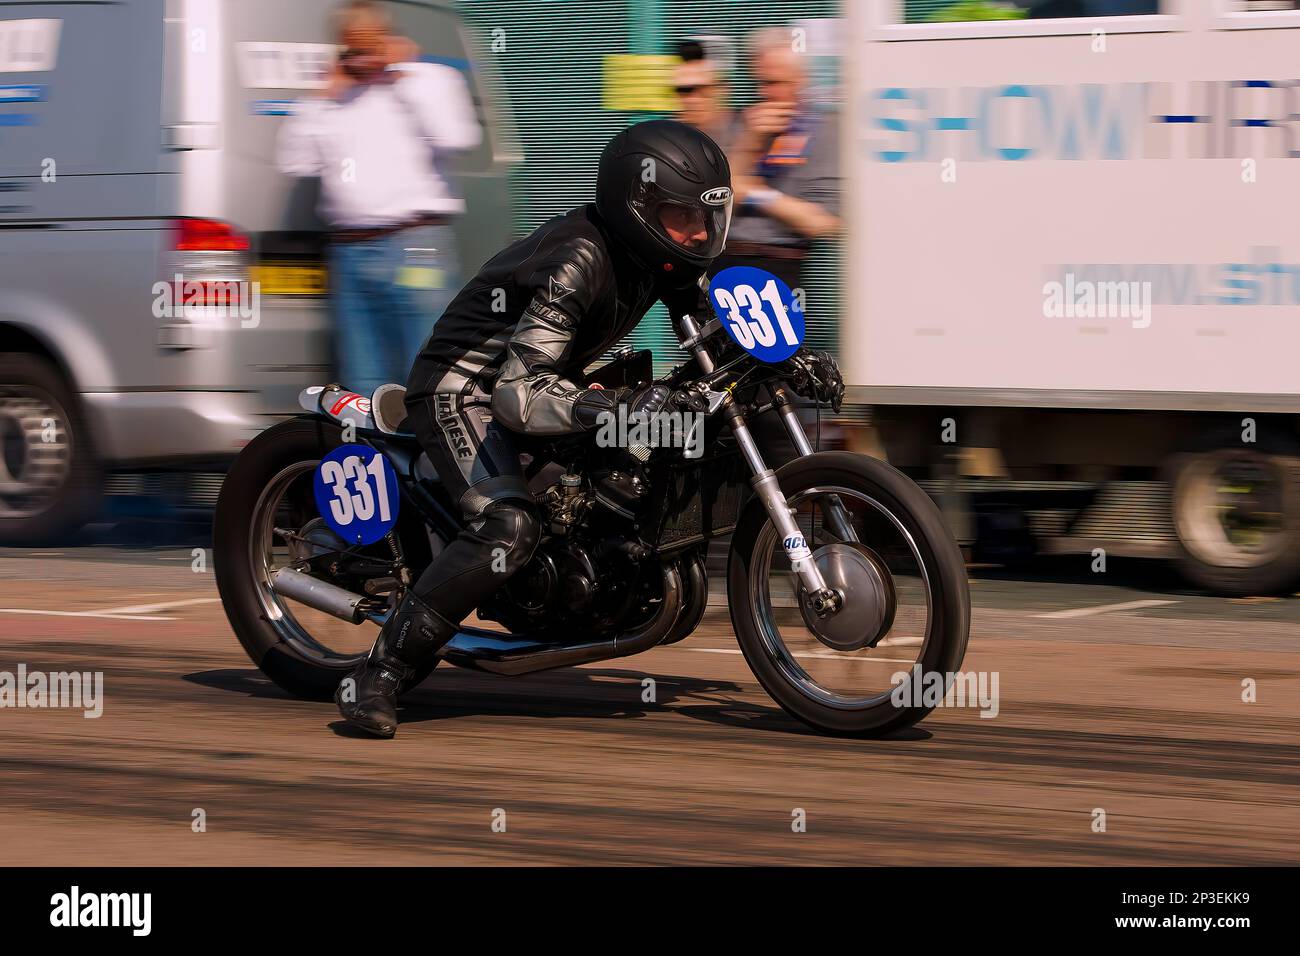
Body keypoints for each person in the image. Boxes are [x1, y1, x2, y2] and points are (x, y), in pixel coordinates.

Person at [336, 120, 732, 737]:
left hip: (547, 379)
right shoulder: (578, 259)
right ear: (640, 208)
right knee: (508, 527)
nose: (702, 233)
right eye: (686, 216)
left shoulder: (663, 259)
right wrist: (604, 410)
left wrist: (784, 361)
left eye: (710, 217)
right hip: (465, 388)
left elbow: (713, 344)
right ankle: (379, 673)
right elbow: (516, 396)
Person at [277, 0, 481, 398]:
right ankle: (380, 459)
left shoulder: (429, 79)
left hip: (416, 249)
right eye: (353, 49)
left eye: (370, 46)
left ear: (388, 40)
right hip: (350, 254)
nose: (363, 58)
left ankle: (430, 456)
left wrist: (404, 78)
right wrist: (321, 97)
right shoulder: (334, 99)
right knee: (363, 381)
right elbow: (295, 162)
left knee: (425, 372)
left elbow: (458, 137)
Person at [716, 26, 840, 291]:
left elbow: (824, 222)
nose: (765, 93)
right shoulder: (741, 124)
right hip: (724, 261)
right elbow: (718, 199)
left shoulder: (822, 131)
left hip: (778, 267)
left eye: (775, 83)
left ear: (800, 81)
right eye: (760, 82)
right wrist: (750, 142)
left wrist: (755, 193)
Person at [673, 39, 736, 153]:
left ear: (722, 89)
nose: (692, 99)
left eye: (702, 89)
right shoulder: (670, 140)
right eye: (683, 90)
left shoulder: (745, 136)